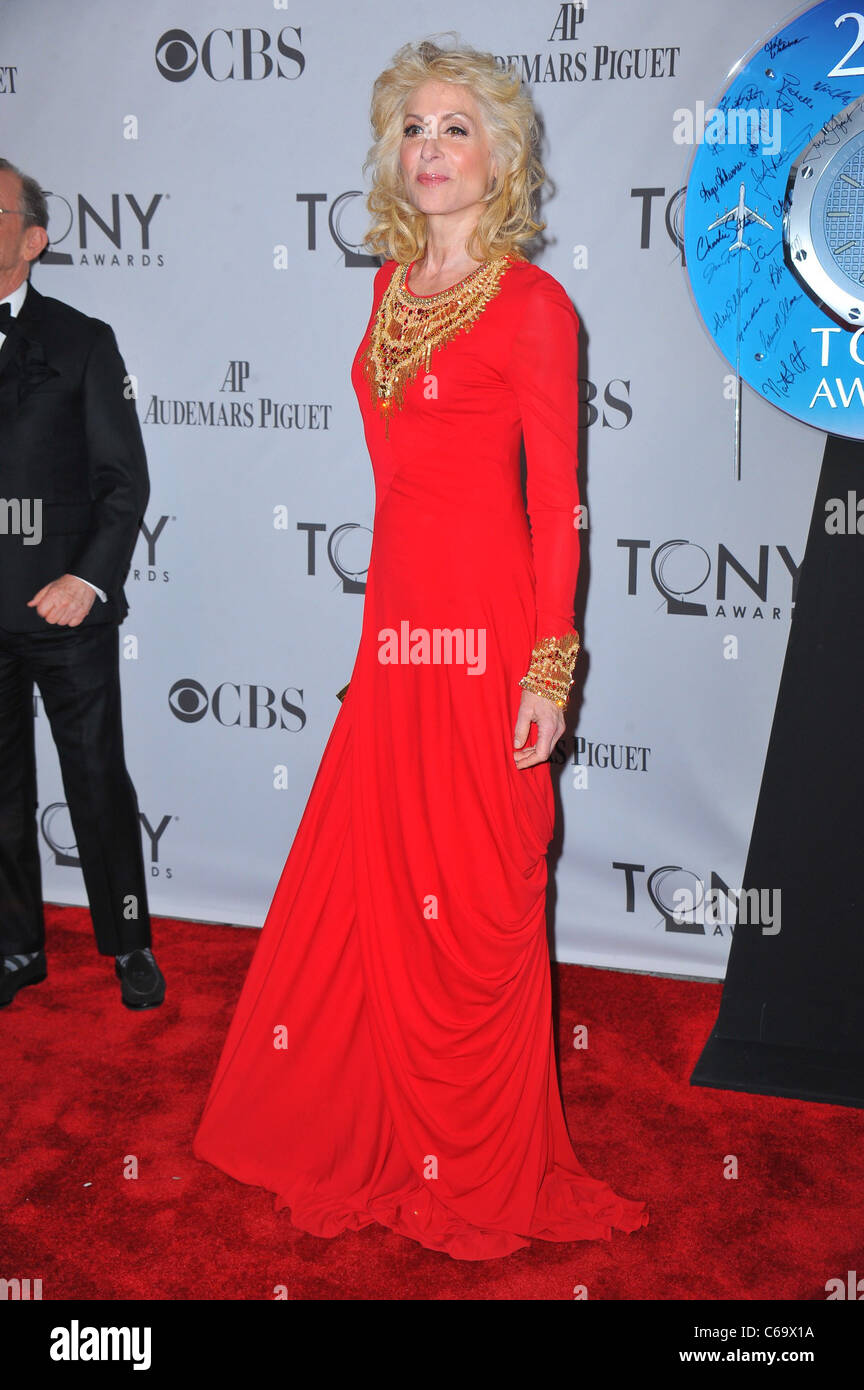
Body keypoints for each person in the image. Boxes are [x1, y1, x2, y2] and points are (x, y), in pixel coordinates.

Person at [193, 38, 648, 1259]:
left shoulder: (537, 306)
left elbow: (558, 501)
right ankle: (372, 1120)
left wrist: (550, 670)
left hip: (490, 635)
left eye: (456, 127)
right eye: (412, 128)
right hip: (396, 635)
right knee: (377, 882)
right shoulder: (389, 288)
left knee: (484, 895)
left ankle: (480, 1157)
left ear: (501, 156)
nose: (431, 148)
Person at [0, 157, 164, 1010]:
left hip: (65, 607)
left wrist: (87, 581)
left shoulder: (82, 339)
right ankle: (15, 950)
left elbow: (122, 482)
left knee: (95, 777)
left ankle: (128, 940)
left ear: (33, 239)